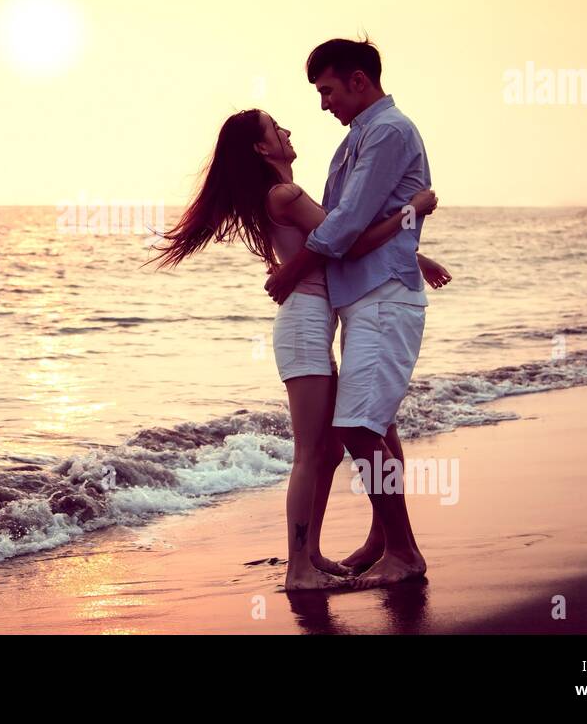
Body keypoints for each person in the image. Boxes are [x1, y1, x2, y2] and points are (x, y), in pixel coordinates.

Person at [150, 106, 447, 590]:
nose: (286, 131)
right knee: (312, 451)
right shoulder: (284, 194)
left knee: (334, 446)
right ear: (261, 148)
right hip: (304, 327)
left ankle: (323, 552)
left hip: (313, 325)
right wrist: (410, 212)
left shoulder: (281, 194)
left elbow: (337, 240)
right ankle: (300, 568)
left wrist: (415, 257)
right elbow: (347, 242)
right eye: (275, 128)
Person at [266, 37, 446, 588]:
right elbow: (346, 220)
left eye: (328, 91)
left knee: (355, 426)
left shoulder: (387, 132)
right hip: (364, 296)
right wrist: (412, 241)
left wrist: (293, 271)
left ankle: (404, 553)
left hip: (382, 296)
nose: (324, 104)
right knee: (379, 426)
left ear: (359, 81)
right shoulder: (359, 138)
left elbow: (343, 226)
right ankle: (383, 542)